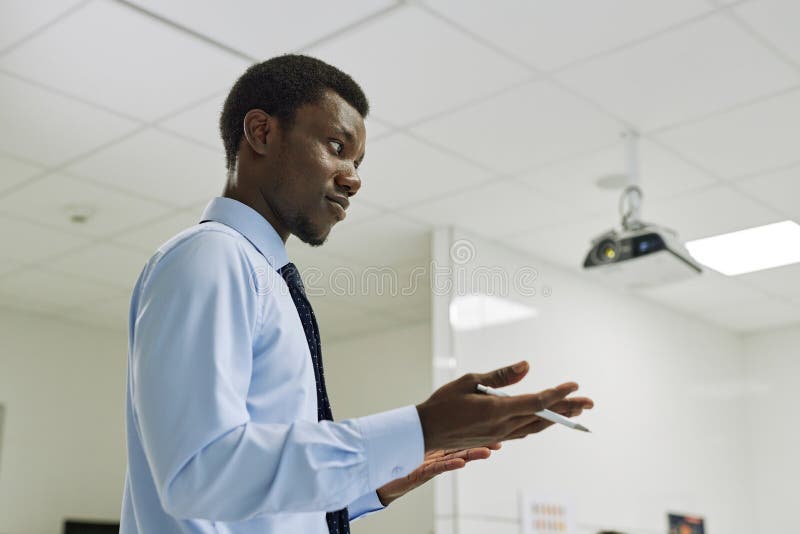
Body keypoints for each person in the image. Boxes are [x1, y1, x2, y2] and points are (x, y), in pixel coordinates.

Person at [119, 54, 594, 533]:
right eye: (335, 146)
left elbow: (253, 499)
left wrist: (375, 482)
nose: (353, 178)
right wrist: (421, 426)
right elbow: (198, 474)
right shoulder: (213, 257)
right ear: (261, 132)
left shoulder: (266, 279)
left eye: (357, 161)